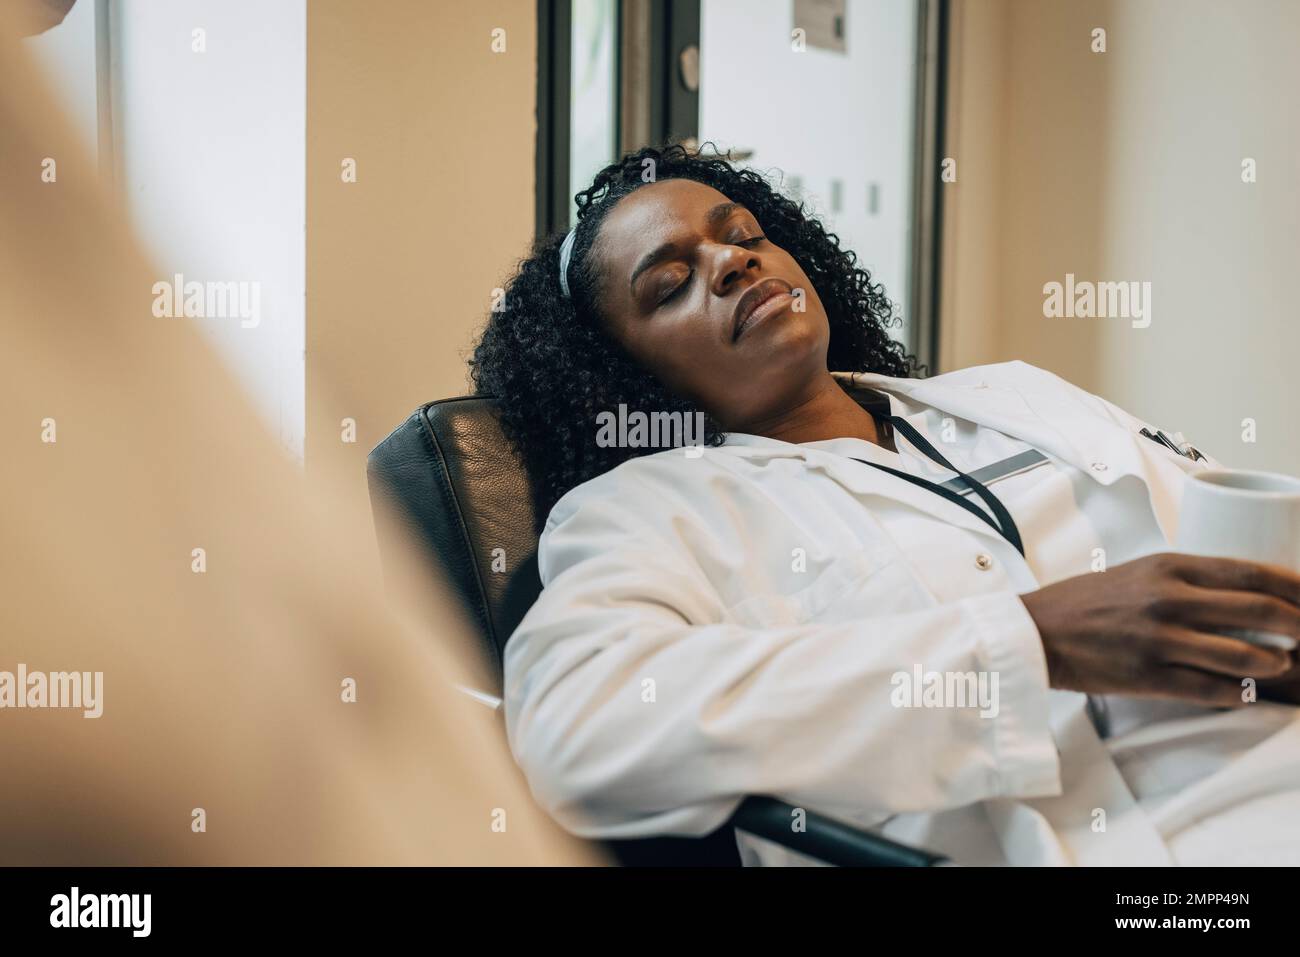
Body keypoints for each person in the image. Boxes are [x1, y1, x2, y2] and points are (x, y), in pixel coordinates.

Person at [472, 145, 1300, 866]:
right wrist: (1030, 643)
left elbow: (1236, 530)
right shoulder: (642, 513)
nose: (732, 263)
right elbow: (576, 728)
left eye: (743, 235)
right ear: (620, 376)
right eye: (670, 284)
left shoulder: (1015, 395)